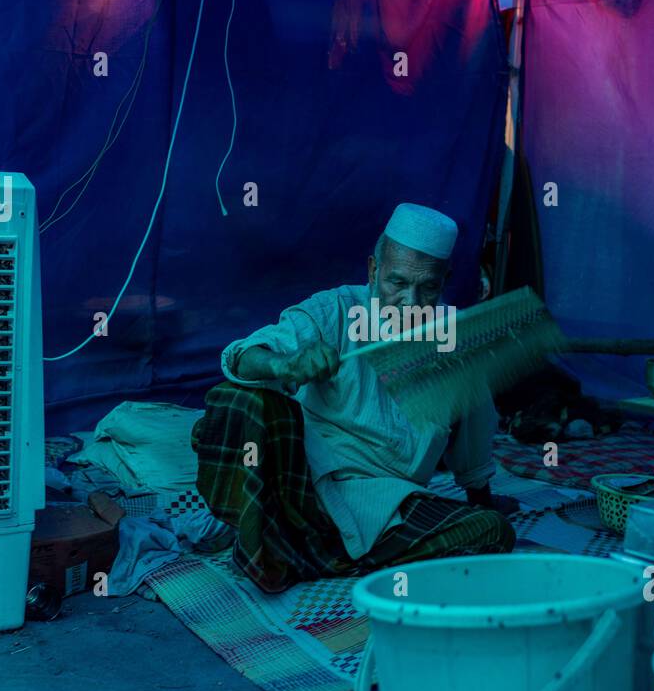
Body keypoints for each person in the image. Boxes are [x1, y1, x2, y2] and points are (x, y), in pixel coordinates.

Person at [193, 203, 516, 593]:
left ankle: (290, 550)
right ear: (373, 271)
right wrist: (285, 364)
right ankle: (292, 542)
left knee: (489, 531)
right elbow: (242, 356)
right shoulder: (336, 311)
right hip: (305, 487)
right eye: (397, 283)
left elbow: (475, 437)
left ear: (444, 281)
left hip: (387, 505)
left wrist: (480, 500)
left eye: (427, 287)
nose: (411, 303)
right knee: (241, 402)